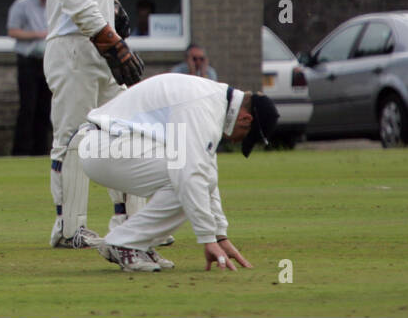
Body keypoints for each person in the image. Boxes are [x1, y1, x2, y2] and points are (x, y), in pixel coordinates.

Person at [61, 72, 279, 272]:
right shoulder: (201, 104)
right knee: (186, 178)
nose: (237, 141)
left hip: (107, 144)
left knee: (195, 175)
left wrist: (219, 234)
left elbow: (205, 172)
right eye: (245, 136)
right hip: (104, 146)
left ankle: (135, 243)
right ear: (245, 119)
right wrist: (207, 238)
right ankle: (124, 243)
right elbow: (191, 176)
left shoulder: (212, 100)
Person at [44, 0, 148, 249]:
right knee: (73, 139)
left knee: (123, 132)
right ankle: (69, 229)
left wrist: (113, 11)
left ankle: (131, 224)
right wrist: (113, 42)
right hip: (74, 50)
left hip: (94, 49)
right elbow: (75, 0)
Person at [7, 0, 50, 156]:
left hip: (47, 62)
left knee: (45, 108)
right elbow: (13, 31)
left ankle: (41, 150)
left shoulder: (55, 6)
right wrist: (38, 35)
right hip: (28, 62)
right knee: (28, 107)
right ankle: (21, 151)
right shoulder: (22, 5)